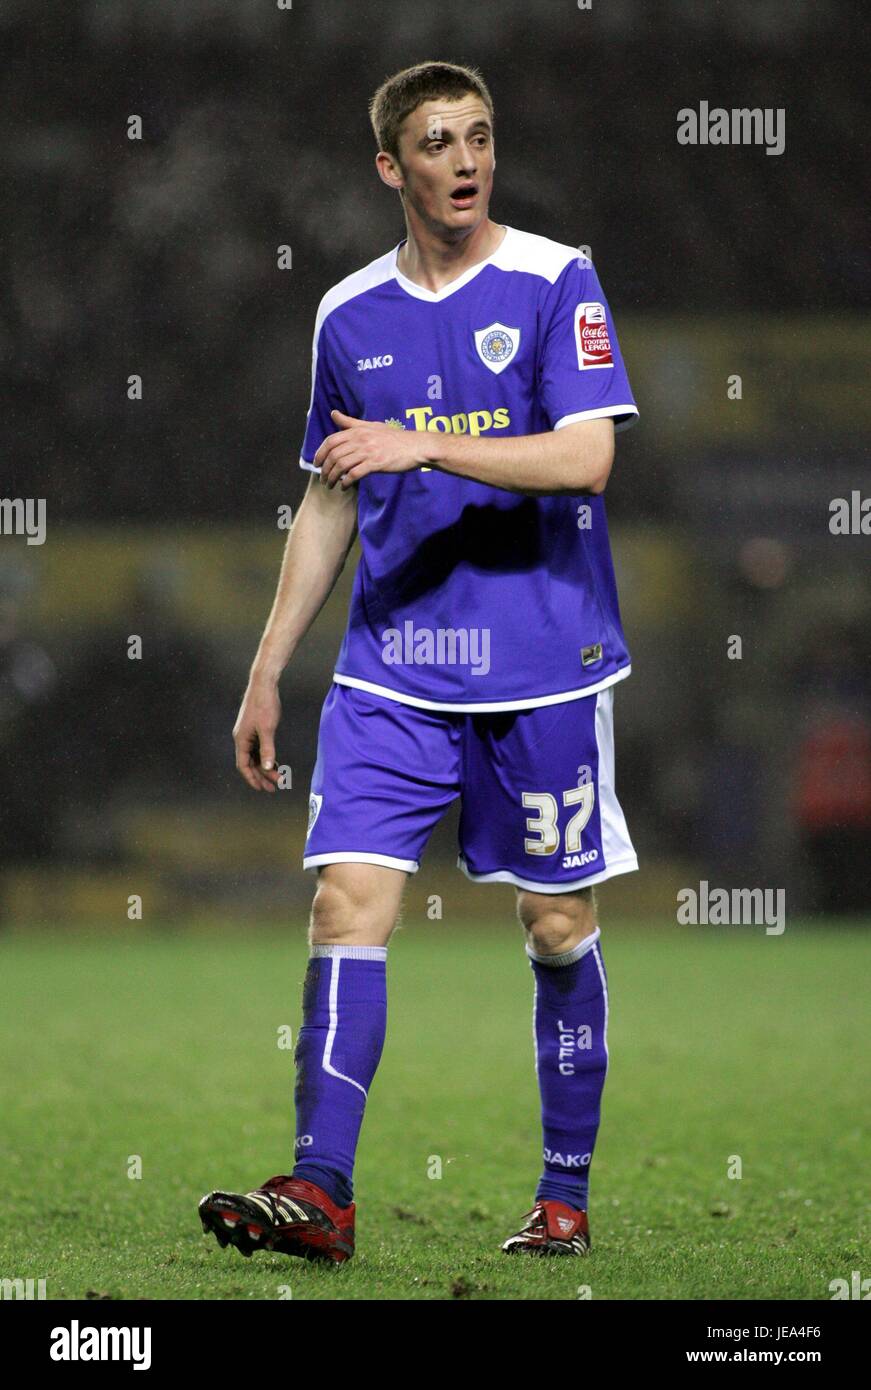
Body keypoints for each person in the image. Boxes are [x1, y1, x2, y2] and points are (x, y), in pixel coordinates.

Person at [199, 60, 639, 1264]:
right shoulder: (346, 314)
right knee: (344, 905)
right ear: (391, 166)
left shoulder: (556, 278)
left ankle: (561, 1195)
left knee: (555, 925)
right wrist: (268, 663)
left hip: (543, 664)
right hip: (391, 668)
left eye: (481, 137)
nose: (465, 160)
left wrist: (423, 442)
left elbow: (584, 459)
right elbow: (329, 496)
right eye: (438, 141)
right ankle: (321, 1191)